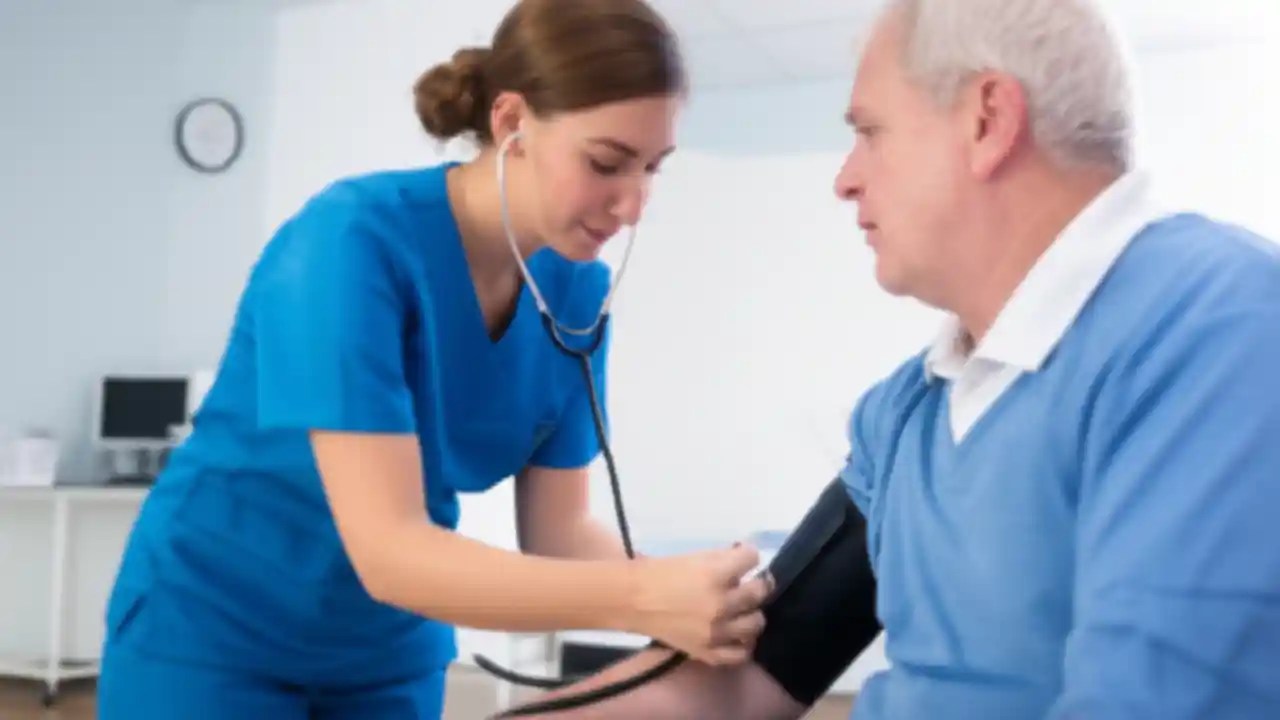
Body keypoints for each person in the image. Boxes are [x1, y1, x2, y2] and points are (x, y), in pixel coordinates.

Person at [496, 0, 1280, 718]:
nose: (845, 179)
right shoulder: (910, 409)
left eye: (868, 131)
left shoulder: (1222, 324)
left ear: (988, 121)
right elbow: (739, 681)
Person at [96, 1, 772, 717]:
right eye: (607, 162)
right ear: (512, 123)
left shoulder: (577, 292)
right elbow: (388, 549)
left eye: (653, 168)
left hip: (387, 652)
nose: (634, 205)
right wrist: (644, 601)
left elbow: (561, 533)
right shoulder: (348, 243)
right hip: (215, 631)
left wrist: (701, 599)